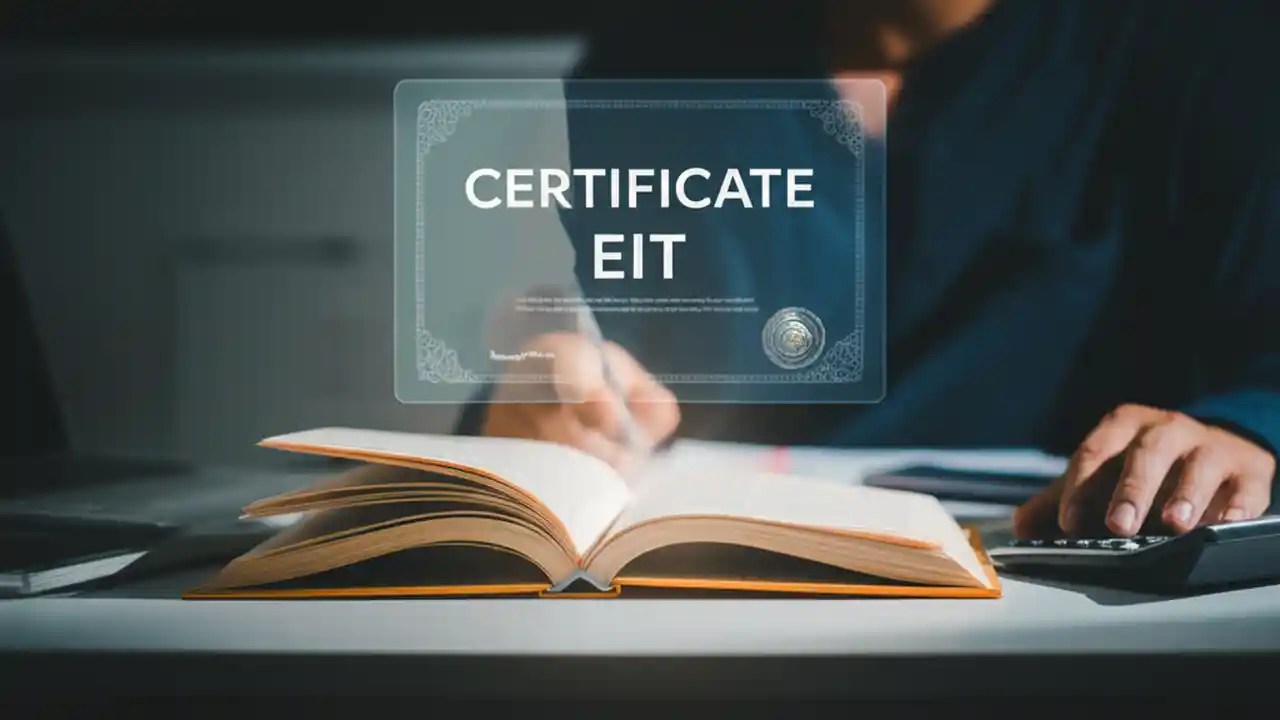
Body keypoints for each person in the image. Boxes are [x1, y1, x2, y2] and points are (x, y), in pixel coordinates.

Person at [464, 0, 1279, 540]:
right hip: (707, 615)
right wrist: (548, 407)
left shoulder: (1202, 49)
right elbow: (599, 354)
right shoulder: (653, 57)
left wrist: (1242, 433)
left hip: (1081, 614)